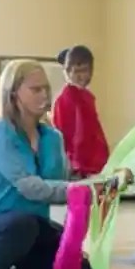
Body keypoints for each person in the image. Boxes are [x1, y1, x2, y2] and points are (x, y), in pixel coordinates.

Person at [0, 59, 110, 269]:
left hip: (32, 231)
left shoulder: (53, 138)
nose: (44, 95)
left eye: (45, 89)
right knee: (23, 223)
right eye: (35, 89)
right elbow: (31, 188)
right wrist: (84, 189)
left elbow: (62, 184)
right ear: (14, 93)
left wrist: (102, 185)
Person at [51, 45, 109, 179]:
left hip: (94, 165)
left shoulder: (87, 97)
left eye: (86, 70)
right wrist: (75, 165)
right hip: (79, 168)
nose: (83, 76)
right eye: (77, 71)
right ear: (67, 72)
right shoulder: (65, 99)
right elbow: (65, 134)